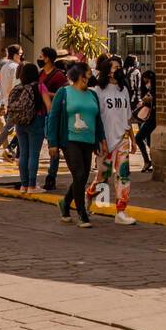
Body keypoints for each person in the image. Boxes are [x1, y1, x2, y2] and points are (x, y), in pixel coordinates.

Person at [46, 62, 105, 227]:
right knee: (79, 174)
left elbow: (98, 120)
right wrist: (53, 143)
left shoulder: (92, 95)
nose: (90, 76)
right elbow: (54, 118)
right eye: (88, 73)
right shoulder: (64, 92)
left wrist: (102, 140)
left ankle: (65, 203)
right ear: (80, 74)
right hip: (70, 140)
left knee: (83, 176)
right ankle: (81, 214)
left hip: (89, 141)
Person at [89, 60, 137, 225]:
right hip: (106, 141)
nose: (120, 70)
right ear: (108, 72)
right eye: (116, 67)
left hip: (122, 140)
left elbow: (127, 116)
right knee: (103, 178)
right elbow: (96, 118)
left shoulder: (124, 90)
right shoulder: (98, 91)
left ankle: (121, 211)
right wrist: (98, 140)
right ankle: (89, 195)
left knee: (123, 177)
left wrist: (133, 138)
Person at [8, 62, 47, 195]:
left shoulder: (19, 87)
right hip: (36, 122)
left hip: (20, 123)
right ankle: (32, 185)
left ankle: (24, 185)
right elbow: (49, 106)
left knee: (23, 154)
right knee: (34, 154)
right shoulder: (40, 86)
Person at [37, 47, 67, 191]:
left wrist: (46, 93)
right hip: (39, 113)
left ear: (48, 58)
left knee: (53, 146)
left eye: (41, 56)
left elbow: (64, 95)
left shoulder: (59, 76)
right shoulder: (41, 74)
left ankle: (51, 176)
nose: (40, 58)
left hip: (53, 114)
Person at [0, 44, 21, 161]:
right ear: (16, 55)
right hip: (14, 102)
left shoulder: (3, 67)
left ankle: (12, 152)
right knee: (12, 129)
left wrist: (3, 103)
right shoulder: (16, 67)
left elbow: (2, 86)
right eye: (20, 54)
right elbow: (14, 86)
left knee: (11, 129)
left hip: (5, 101)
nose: (21, 57)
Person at [135, 68, 156, 172]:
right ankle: (150, 161)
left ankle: (148, 161)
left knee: (138, 138)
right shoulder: (148, 91)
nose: (146, 84)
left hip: (152, 119)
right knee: (148, 141)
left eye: (147, 81)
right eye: (145, 82)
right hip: (148, 118)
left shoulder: (155, 91)